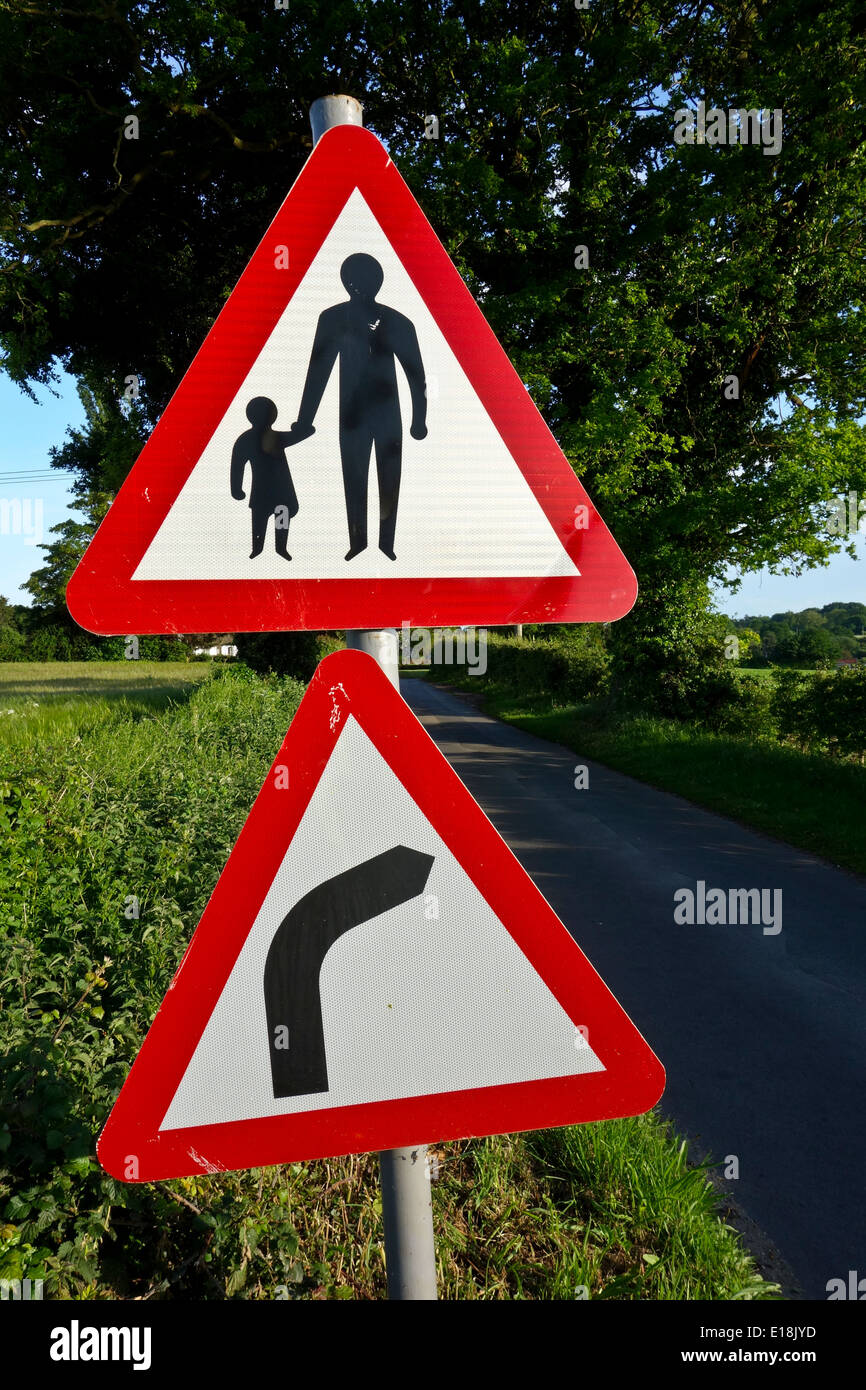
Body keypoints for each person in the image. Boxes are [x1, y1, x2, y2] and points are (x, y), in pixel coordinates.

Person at [287, 252, 427, 561]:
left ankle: (387, 543)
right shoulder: (333, 319)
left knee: (389, 477)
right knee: (354, 476)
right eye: (353, 279)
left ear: (378, 281)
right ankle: (358, 541)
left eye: (366, 279)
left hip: (389, 415)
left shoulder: (398, 322)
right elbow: (318, 370)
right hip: (351, 416)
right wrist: (304, 420)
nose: (359, 285)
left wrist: (420, 420)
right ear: (345, 282)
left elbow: (416, 374)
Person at [230, 397, 300, 560]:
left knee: (279, 519)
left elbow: (237, 466)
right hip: (266, 491)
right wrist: (236, 489)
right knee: (260, 520)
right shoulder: (247, 440)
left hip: (279, 492)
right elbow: (237, 466)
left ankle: (280, 548)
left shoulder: (268, 437)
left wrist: (303, 430)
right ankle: (257, 549)